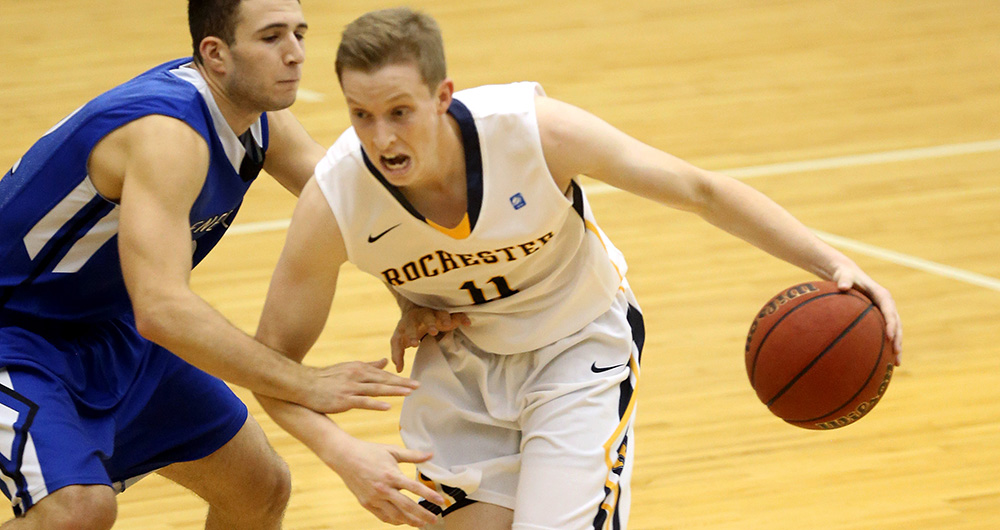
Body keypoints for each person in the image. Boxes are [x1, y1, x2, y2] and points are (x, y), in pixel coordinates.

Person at [254, 7, 904, 530]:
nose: (382, 139)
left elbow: (700, 190)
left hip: (577, 351)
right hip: (458, 372)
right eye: (361, 115)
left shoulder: (534, 132)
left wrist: (834, 262)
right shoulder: (335, 201)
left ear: (443, 96)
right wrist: (343, 455)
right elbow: (271, 363)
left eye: (400, 112)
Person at [0, 1, 445, 528]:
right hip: (15, 331)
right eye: (272, 37)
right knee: (76, 512)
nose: (296, 54)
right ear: (216, 54)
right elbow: (163, 309)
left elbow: (353, 206)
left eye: (299, 34)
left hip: (101, 324)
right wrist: (304, 383)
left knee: (259, 487)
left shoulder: (257, 118)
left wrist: (412, 295)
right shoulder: (167, 134)